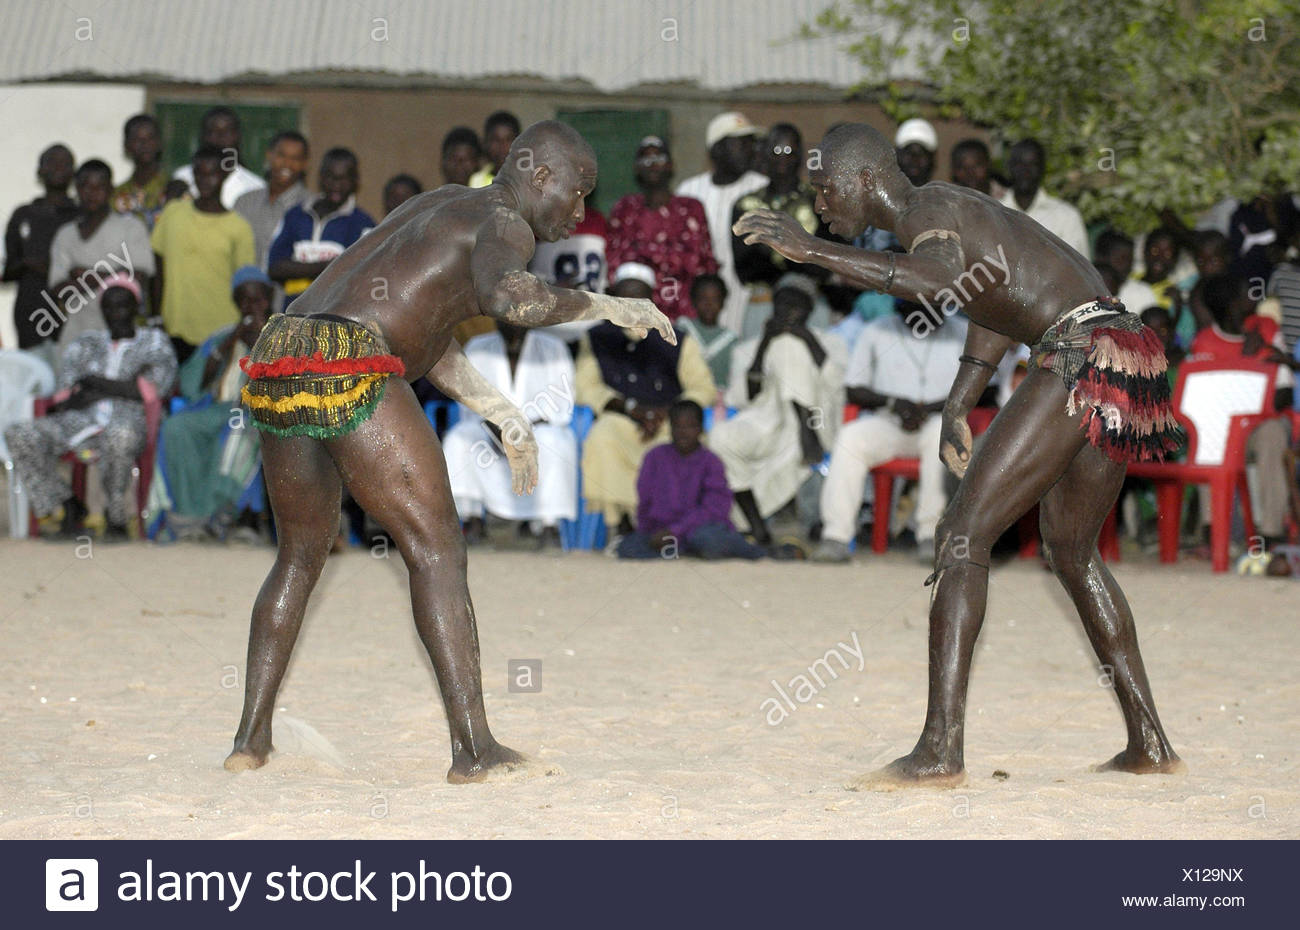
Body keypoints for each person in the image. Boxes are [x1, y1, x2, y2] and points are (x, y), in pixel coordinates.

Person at [734, 122, 1183, 786]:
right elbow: (994, 302)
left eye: (825, 192)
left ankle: (941, 748)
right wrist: (956, 403)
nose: (821, 208)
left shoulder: (926, 211)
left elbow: (931, 279)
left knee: (962, 537)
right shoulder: (951, 209)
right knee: (1072, 552)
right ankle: (1149, 742)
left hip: (1081, 354)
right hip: (1122, 351)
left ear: (864, 179)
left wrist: (813, 252)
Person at [224, 120, 674, 781]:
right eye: (577, 193)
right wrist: (610, 305)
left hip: (285, 354)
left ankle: (249, 742)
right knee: (437, 551)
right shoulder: (506, 222)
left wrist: (504, 416)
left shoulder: (437, 205)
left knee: (298, 556)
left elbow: (420, 331)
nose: (580, 213)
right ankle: (474, 750)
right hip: (352, 359)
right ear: (537, 174)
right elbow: (509, 297)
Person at [4, 276, 176, 540]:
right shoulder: (86, 342)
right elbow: (66, 395)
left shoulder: (154, 342)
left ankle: (116, 519)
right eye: (108, 306)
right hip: (81, 422)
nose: (115, 313)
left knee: (119, 435)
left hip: (128, 423)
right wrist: (120, 386)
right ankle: (68, 505)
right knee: (19, 434)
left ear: (137, 308)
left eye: (122, 305)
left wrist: (94, 384)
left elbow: (153, 389)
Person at [813, 300, 968, 563]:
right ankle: (836, 537)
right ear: (899, 306)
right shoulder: (876, 331)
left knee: (940, 434)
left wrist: (929, 408)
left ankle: (930, 535)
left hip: (940, 420)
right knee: (851, 436)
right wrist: (895, 404)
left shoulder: (963, 333)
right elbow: (853, 388)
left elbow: (986, 390)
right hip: (890, 421)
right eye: (909, 307)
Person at [575, 263, 716, 535]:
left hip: (668, 423)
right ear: (613, 298)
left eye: (639, 299)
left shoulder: (677, 337)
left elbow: (703, 387)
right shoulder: (596, 338)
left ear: (651, 300)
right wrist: (631, 409)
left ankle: (670, 527)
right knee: (603, 436)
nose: (631, 306)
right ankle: (623, 528)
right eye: (624, 298)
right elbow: (586, 386)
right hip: (624, 421)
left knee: (681, 443)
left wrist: (667, 413)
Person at [710, 273, 845, 547]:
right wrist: (763, 346)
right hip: (765, 421)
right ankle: (758, 523)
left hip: (816, 422)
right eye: (783, 304)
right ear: (773, 307)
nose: (789, 311)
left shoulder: (830, 343)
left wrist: (807, 339)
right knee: (720, 437)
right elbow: (741, 398)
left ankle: (755, 524)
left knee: (790, 345)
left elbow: (837, 384)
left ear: (809, 310)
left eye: (797, 305)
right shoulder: (748, 347)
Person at [148, 266, 274, 540]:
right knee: (176, 428)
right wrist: (233, 340)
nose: (251, 306)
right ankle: (188, 518)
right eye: (244, 300)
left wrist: (260, 344)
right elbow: (194, 384)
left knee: (240, 427)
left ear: (269, 299)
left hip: (258, 413)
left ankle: (228, 512)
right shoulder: (224, 336)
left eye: (258, 299)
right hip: (214, 409)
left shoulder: (282, 336)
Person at [443, 319, 578, 547]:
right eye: (506, 319)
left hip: (538, 429)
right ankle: (472, 519)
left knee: (555, 441)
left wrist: (521, 430)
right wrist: (495, 425)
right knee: (459, 438)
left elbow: (562, 403)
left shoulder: (553, 348)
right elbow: (467, 399)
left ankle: (548, 525)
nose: (513, 326)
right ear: (496, 320)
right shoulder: (478, 347)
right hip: (490, 428)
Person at [1189, 273, 1294, 550]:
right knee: (1205, 437)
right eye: (1244, 294)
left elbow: (1282, 395)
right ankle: (1215, 529)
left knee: (1273, 434)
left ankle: (1271, 533)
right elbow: (1203, 403)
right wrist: (1249, 361)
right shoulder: (1204, 343)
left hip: (1261, 426)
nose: (1253, 298)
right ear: (1230, 306)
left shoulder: (1267, 329)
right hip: (1222, 431)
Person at [617, 400, 765, 560]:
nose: (683, 432)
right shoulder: (654, 457)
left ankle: (744, 548)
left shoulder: (711, 462)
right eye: (678, 427)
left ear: (701, 429)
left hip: (699, 528)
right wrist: (648, 531)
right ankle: (681, 550)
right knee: (627, 547)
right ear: (670, 428)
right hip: (663, 531)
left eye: (690, 426)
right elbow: (644, 500)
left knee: (709, 540)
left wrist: (676, 530)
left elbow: (715, 509)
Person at [151, 146, 256, 363]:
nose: (205, 180)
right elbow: (157, 268)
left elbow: (246, 286)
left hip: (220, 332)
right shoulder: (173, 212)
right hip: (174, 328)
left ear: (224, 175)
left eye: (212, 174)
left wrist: (237, 334)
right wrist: (156, 318)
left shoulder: (239, 227)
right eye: (199, 174)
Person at [606, 135, 717, 319]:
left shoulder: (691, 208)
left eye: (659, 159)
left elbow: (706, 264)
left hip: (685, 316)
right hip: (636, 317)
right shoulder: (624, 209)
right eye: (646, 159)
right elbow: (615, 265)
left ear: (671, 165)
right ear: (636, 168)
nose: (653, 164)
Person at [676, 112, 768, 332]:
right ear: (716, 150)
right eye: (741, 143)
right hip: (699, 302)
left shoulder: (762, 188)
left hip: (749, 300)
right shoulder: (689, 191)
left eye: (751, 143)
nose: (750, 149)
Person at [47, 159, 154, 346]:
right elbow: (59, 289)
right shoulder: (65, 234)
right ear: (76, 190)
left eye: (99, 187)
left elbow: (138, 278)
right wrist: (116, 276)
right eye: (85, 187)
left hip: (121, 337)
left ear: (111, 190)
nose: (92, 193)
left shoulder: (131, 228)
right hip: (75, 335)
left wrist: (85, 276)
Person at [268, 148, 375, 310]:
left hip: (336, 319)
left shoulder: (363, 224)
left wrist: (298, 268)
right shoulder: (296, 215)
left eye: (344, 179)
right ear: (321, 177)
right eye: (330, 177)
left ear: (356, 181)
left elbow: (360, 276)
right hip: (292, 316)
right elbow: (275, 267)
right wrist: (329, 267)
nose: (336, 185)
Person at [4, 144, 78, 353]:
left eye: (65, 163)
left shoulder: (82, 216)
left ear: (74, 172)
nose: (58, 168)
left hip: (73, 313)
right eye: (52, 163)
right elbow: (8, 270)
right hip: (31, 312)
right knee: (35, 377)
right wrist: (29, 264)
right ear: (40, 170)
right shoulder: (23, 215)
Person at [999, 138, 1090, 259]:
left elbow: (1080, 273)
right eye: (1020, 164)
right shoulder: (993, 213)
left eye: (1033, 164)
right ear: (1010, 167)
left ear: (1042, 169)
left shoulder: (1067, 217)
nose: (1026, 171)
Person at [233, 130, 311, 270]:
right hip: (245, 288)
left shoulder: (310, 207)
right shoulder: (244, 202)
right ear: (269, 156)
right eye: (281, 155)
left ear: (304, 164)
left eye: (296, 158)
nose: (287, 163)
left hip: (291, 291)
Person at [172, 106, 266, 209]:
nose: (219, 138)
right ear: (203, 136)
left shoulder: (255, 187)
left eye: (226, 132)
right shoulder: (183, 177)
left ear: (237, 136)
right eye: (212, 132)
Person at [675, 273, 737, 398]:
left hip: (720, 401)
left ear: (723, 302)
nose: (709, 304)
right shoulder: (681, 330)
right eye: (703, 299)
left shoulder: (732, 340)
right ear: (693, 301)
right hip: (686, 396)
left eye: (715, 299)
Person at [112, 114, 167, 229]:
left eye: (150, 138)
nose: (144, 144)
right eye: (137, 139)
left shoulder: (173, 190)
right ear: (126, 146)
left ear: (159, 143)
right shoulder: (116, 195)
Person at [468, 111, 521, 188]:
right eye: (496, 139)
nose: (502, 146)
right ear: (486, 143)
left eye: (508, 139)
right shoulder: (476, 181)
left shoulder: (528, 179)